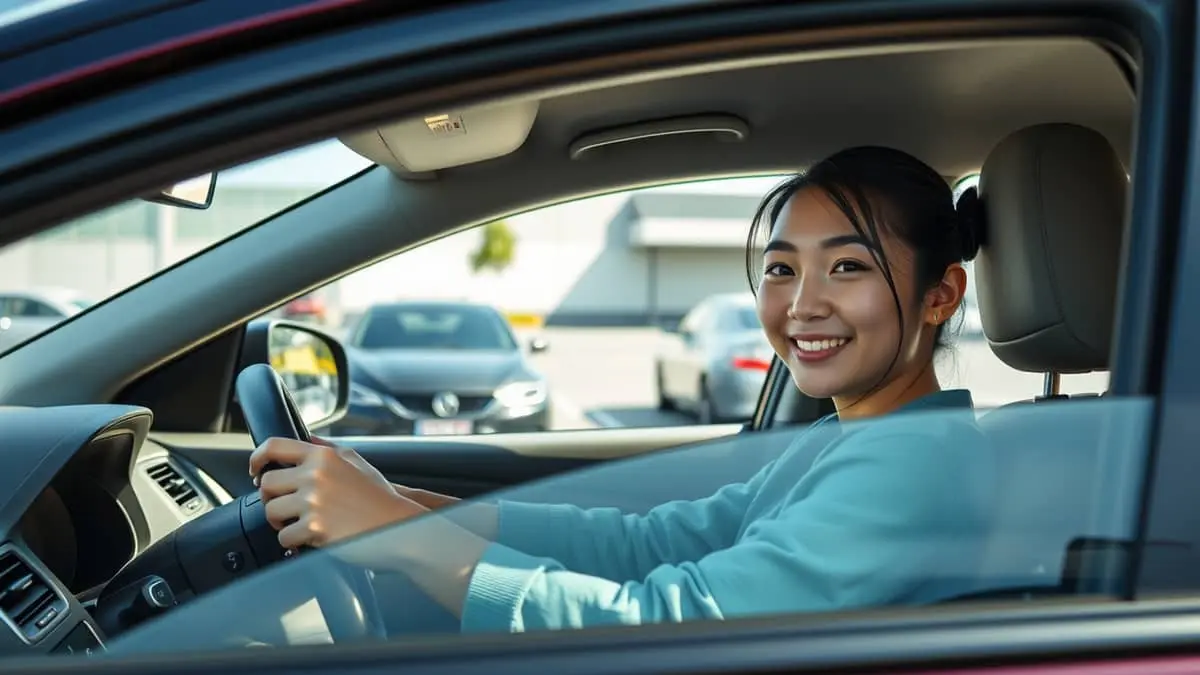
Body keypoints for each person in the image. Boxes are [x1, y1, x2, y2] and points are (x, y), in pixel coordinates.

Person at [249, 146, 997, 633]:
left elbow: (671, 625)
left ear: (940, 296)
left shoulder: (911, 470)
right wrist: (398, 503)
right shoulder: (855, 441)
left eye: (848, 267)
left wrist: (399, 535)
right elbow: (652, 544)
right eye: (781, 269)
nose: (802, 304)